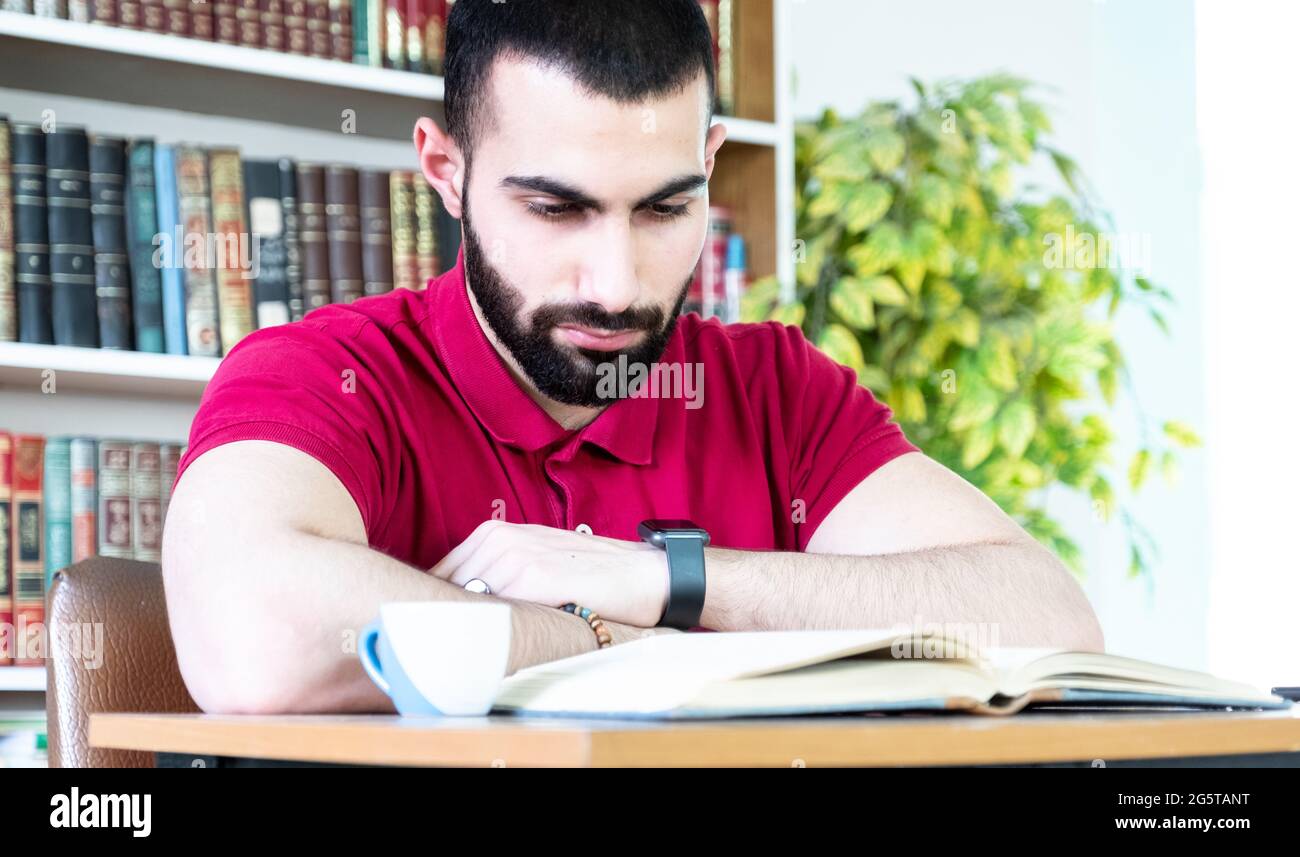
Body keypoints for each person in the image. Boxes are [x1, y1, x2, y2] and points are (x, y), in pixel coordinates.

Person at [162, 0, 1103, 714]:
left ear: (711, 162)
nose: (616, 286)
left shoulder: (774, 387)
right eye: (556, 208)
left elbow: (1047, 620)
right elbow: (254, 639)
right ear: (445, 172)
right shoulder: (324, 373)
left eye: (662, 208)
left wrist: (664, 579)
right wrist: (600, 632)